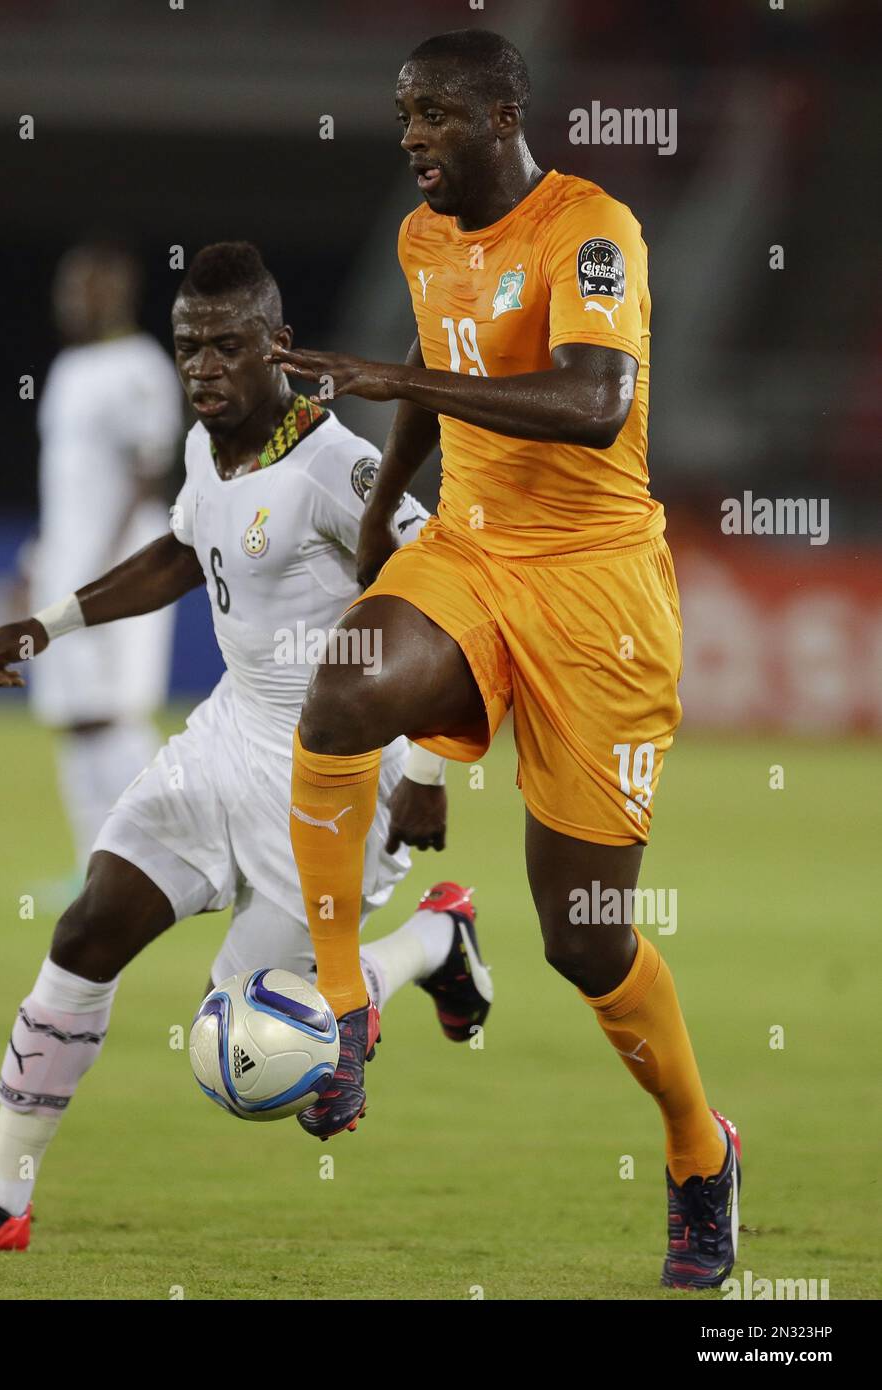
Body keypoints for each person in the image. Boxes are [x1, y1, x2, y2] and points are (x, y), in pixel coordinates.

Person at [0, 242, 492, 1254]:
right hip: (223, 739)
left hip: (335, 783)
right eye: (188, 346)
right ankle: (1, 1197)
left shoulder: (344, 471)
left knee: (250, 1044)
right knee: (86, 931)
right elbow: (180, 548)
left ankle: (436, 941)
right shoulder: (213, 445)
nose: (202, 367)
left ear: (278, 348)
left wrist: (426, 770)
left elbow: (452, 614)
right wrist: (45, 626)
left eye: (226, 346)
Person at [266, 30, 740, 1291]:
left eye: (432, 113)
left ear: (503, 113)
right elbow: (438, 375)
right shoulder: (428, 240)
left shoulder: (592, 232)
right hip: (473, 550)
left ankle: (699, 1151)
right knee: (343, 690)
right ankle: (342, 1005)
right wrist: (378, 527)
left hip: (598, 595)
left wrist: (380, 375)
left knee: (584, 938)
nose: (411, 134)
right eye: (401, 112)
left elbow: (592, 406)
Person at [30, 243, 183, 876]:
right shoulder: (68, 367)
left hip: (117, 569)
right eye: (66, 287)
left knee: (112, 713)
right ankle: (93, 868)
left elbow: (149, 471)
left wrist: (109, 567)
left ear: (114, 292)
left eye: (82, 288)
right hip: (65, 564)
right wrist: (39, 564)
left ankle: (174, 848)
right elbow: (66, 485)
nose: (68, 300)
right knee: (72, 717)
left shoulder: (139, 366)